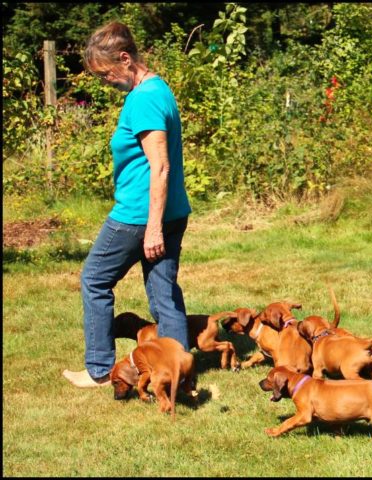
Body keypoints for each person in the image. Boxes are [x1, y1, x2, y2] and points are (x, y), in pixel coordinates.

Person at [63, 21, 192, 387]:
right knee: (163, 292)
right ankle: (179, 372)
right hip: (171, 211)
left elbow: (161, 166)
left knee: (94, 279)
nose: (105, 81)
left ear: (125, 58)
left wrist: (151, 227)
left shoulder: (145, 99)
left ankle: (101, 370)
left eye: (106, 73)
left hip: (138, 215)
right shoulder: (158, 88)